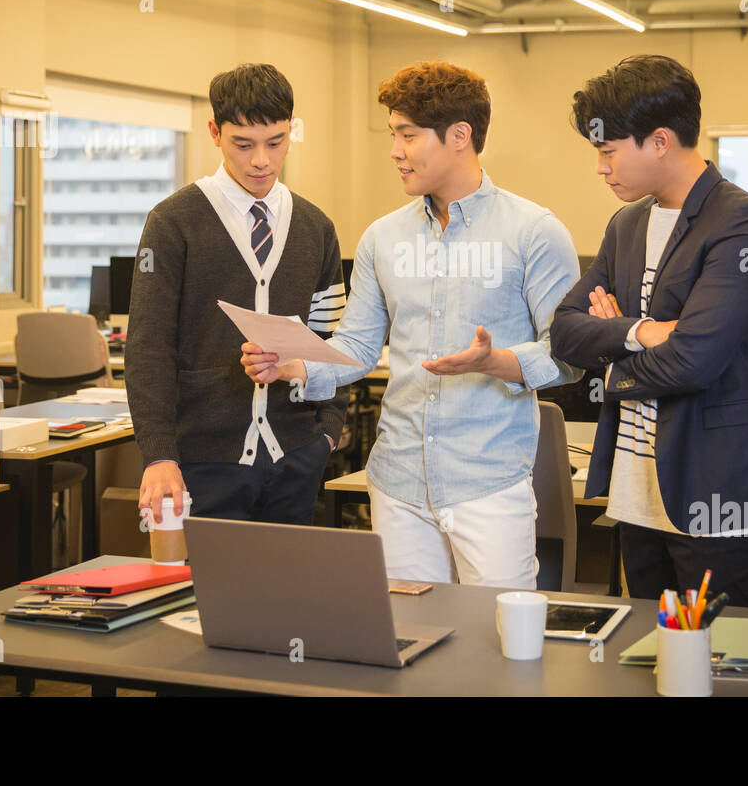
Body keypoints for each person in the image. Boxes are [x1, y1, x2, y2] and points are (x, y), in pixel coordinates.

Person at [241, 60, 580, 588]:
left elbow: (570, 354)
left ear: (459, 137)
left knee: (501, 655)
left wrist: (500, 362)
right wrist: (295, 366)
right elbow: (356, 343)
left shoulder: (534, 232)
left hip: (488, 484)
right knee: (412, 645)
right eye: (393, 134)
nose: (395, 150)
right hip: (397, 482)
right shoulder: (382, 237)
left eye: (408, 135)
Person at [549, 54, 748, 608]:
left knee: (725, 668)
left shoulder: (742, 224)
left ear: (660, 141)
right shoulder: (627, 223)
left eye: (608, 151)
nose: (600, 167)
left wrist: (611, 344)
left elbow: (693, 362)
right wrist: (641, 331)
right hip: (639, 494)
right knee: (650, 664)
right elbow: (564, 331)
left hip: (721, 497)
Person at [127, 63, 348, 527]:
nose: (261, 161)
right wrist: (158, 454)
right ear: (214, 132)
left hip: (295, 456)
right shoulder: (173, 222)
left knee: (287, 596)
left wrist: (327, 434)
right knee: (207, 597)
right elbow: (148, 347)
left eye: (276, 142)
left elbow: (335, 340)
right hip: (202, 461)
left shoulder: (316, 227)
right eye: (243, 144)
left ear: (291, 131)